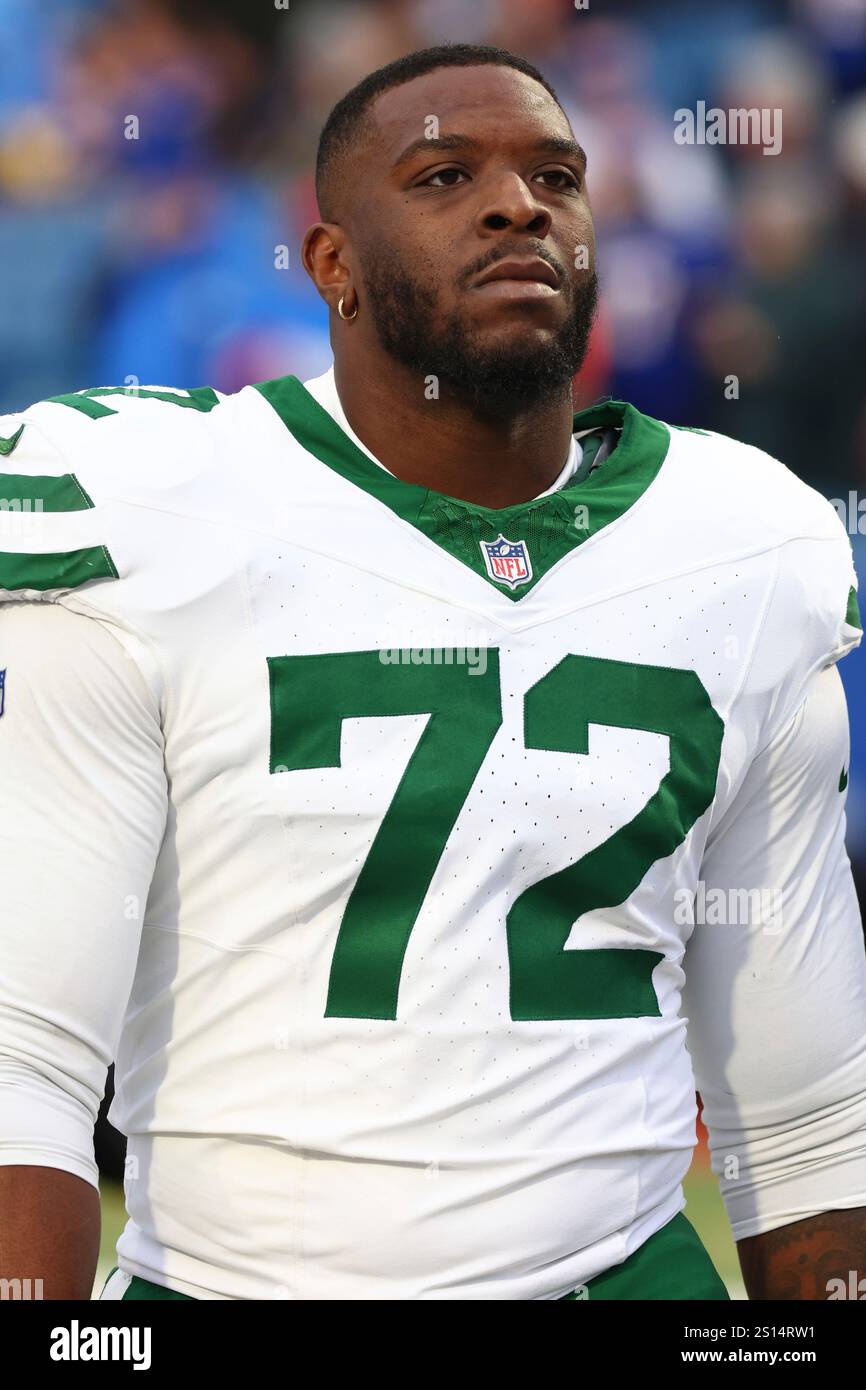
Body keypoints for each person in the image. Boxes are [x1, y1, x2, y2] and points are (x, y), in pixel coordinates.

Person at [1, 43, 864, 1302]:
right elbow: (26, 1054)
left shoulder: (743, 542)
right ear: (333, 268)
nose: (518, 204)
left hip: (626, 1275)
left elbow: (799, 1108)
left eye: (555, 176)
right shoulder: (151, 513)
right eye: (445, 174)